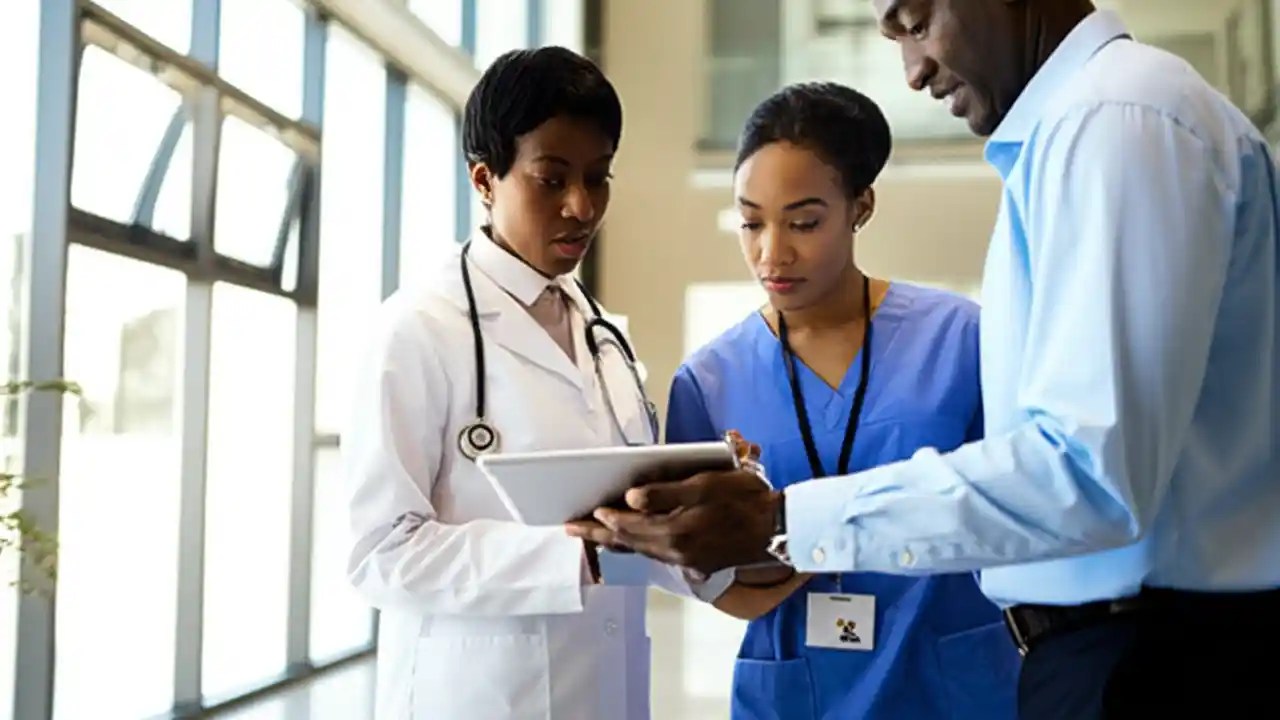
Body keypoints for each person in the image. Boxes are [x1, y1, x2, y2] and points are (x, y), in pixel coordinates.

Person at [569, 2, 1280, 717]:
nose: (913, 71)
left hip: (1145, 653)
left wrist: (785, 520)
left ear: (859, 208)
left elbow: (1086, 471)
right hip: (1111, 650)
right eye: (751, 221)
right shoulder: (1088, 131)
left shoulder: (1118, 124)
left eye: (916, 21)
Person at [342, 46, 725, 720]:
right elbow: (381, 551)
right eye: (552, 179)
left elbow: (625, 506)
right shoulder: (416, 330)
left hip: (605, 687)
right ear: (486, 179)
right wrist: (579, 556)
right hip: (480, 697)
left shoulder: (603, 331)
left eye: (599, 177)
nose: (582, 206)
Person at [664, 82, 1018, 719]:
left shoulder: (962, 339)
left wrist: (816, 527)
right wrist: (796, 540)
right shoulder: (709, 381)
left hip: (951, 683)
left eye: (804, 222)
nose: (772, 252)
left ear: (860, 206)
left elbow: (1018, 508)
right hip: (795, 691)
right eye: (751, 222)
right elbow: (710, 579)